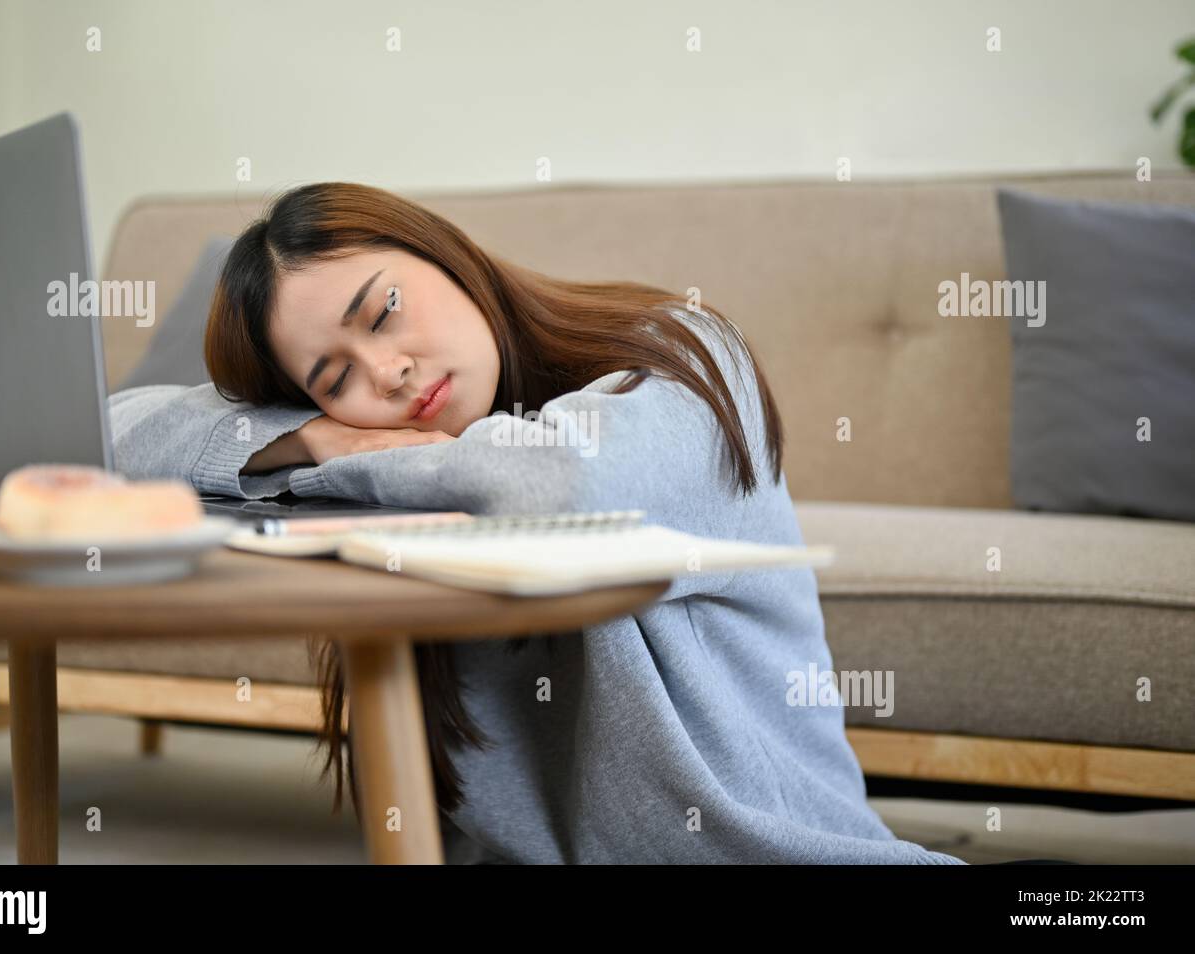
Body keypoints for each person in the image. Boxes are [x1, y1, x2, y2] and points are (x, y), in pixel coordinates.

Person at [109, 182, 967, 864]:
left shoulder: (686, 363)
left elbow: (558, 484)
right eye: (334, 378)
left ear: (445, 255)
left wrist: (332, 453)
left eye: (383, 311)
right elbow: (109, 430)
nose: (388, 371)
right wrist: (308, 434)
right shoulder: (384, 469)